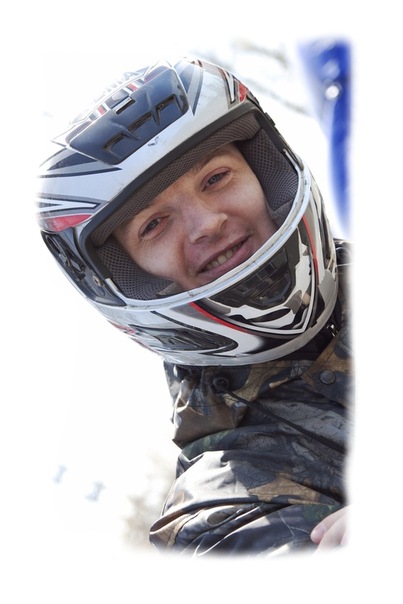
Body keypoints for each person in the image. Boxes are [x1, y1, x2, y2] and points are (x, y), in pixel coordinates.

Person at [37, 56, 352, 556]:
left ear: (266, 168)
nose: (207, 223)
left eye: (216, 178)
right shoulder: (218, 516)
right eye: (154, 224)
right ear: (123, 278)